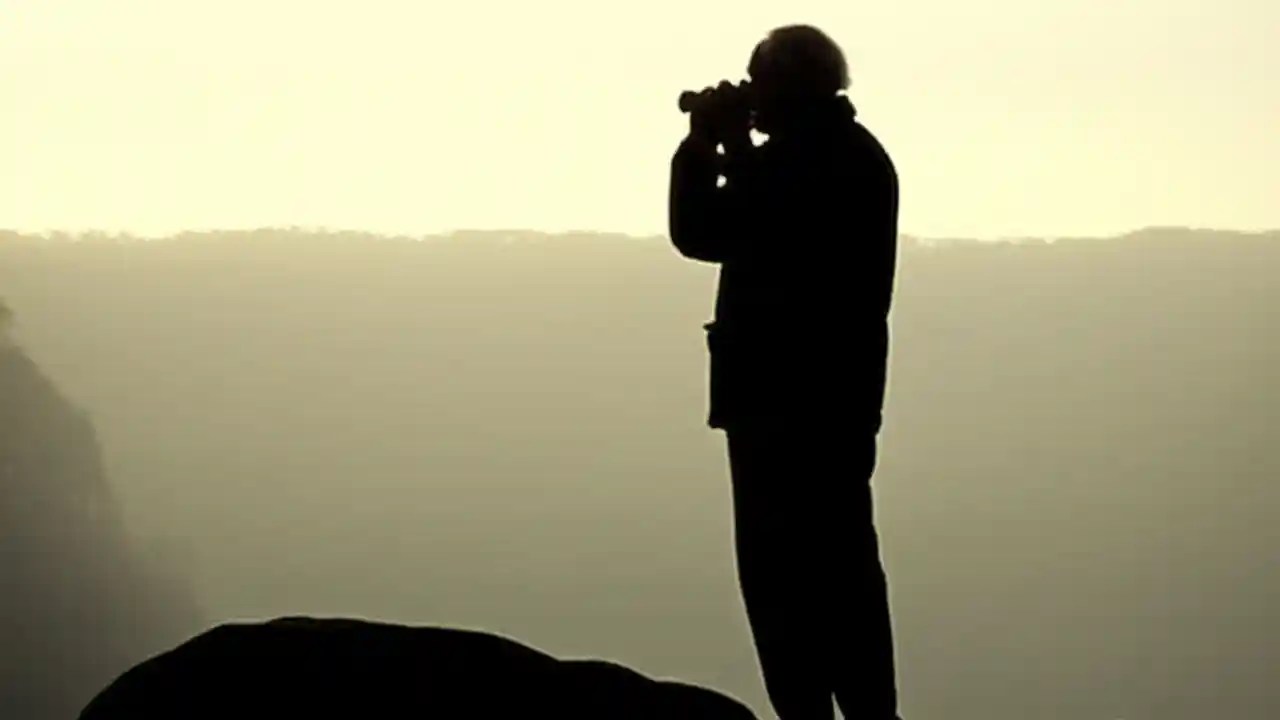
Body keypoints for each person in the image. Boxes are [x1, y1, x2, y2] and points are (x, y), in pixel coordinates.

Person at [667, 25, 902, 720]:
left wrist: (716, 145)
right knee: (832, 570)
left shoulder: (822, 163)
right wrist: (712, 147)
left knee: (793, 576)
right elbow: (716, 226)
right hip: (817, 404)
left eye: (758, 81)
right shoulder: (840, 156)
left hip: (790, 407)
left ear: (791, 88)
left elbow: (719, 227)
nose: (748, 95)